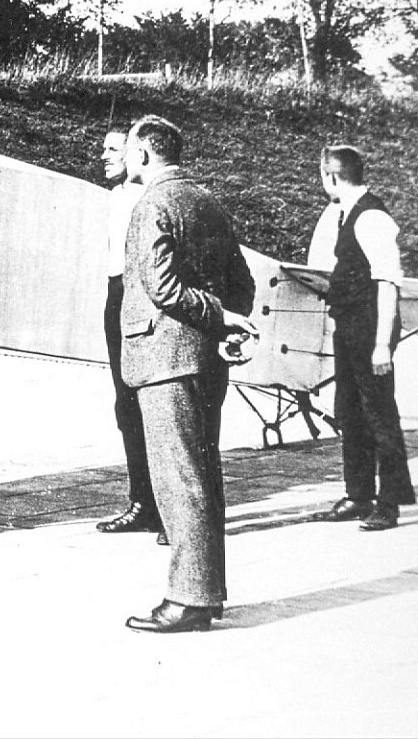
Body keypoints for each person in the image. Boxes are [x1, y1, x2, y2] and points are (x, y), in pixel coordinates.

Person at [120, 115, 257, 634]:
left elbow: (162, 287)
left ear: (145, 155)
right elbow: (241, 280)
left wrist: (219, 318)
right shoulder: (208, 202)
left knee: (180, 481)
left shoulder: (152, 203)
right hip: (204, 360)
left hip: (164, 360)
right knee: (203, 477)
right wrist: (225, 327)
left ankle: (188, 599)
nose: (129, 160)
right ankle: (205, 593)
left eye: (132, 151)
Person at [310, 145, 416, 532]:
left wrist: (382, 344)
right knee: (350, 413)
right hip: (349, 328)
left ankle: (389, 504)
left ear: (332, 177)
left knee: (379, 417)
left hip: (371, 331)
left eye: (322, 176)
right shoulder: (345, 213)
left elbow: (388, 284)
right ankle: (358, 495)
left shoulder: (371, 217)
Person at [94, 129, 164, 544]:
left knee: (152, 404)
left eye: (113, 149)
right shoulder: (116, 196)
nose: (103, 155)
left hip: (144, 297)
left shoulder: (149, 197)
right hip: (116, 295)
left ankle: (164, 506)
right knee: (126, 405)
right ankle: (142, 502)